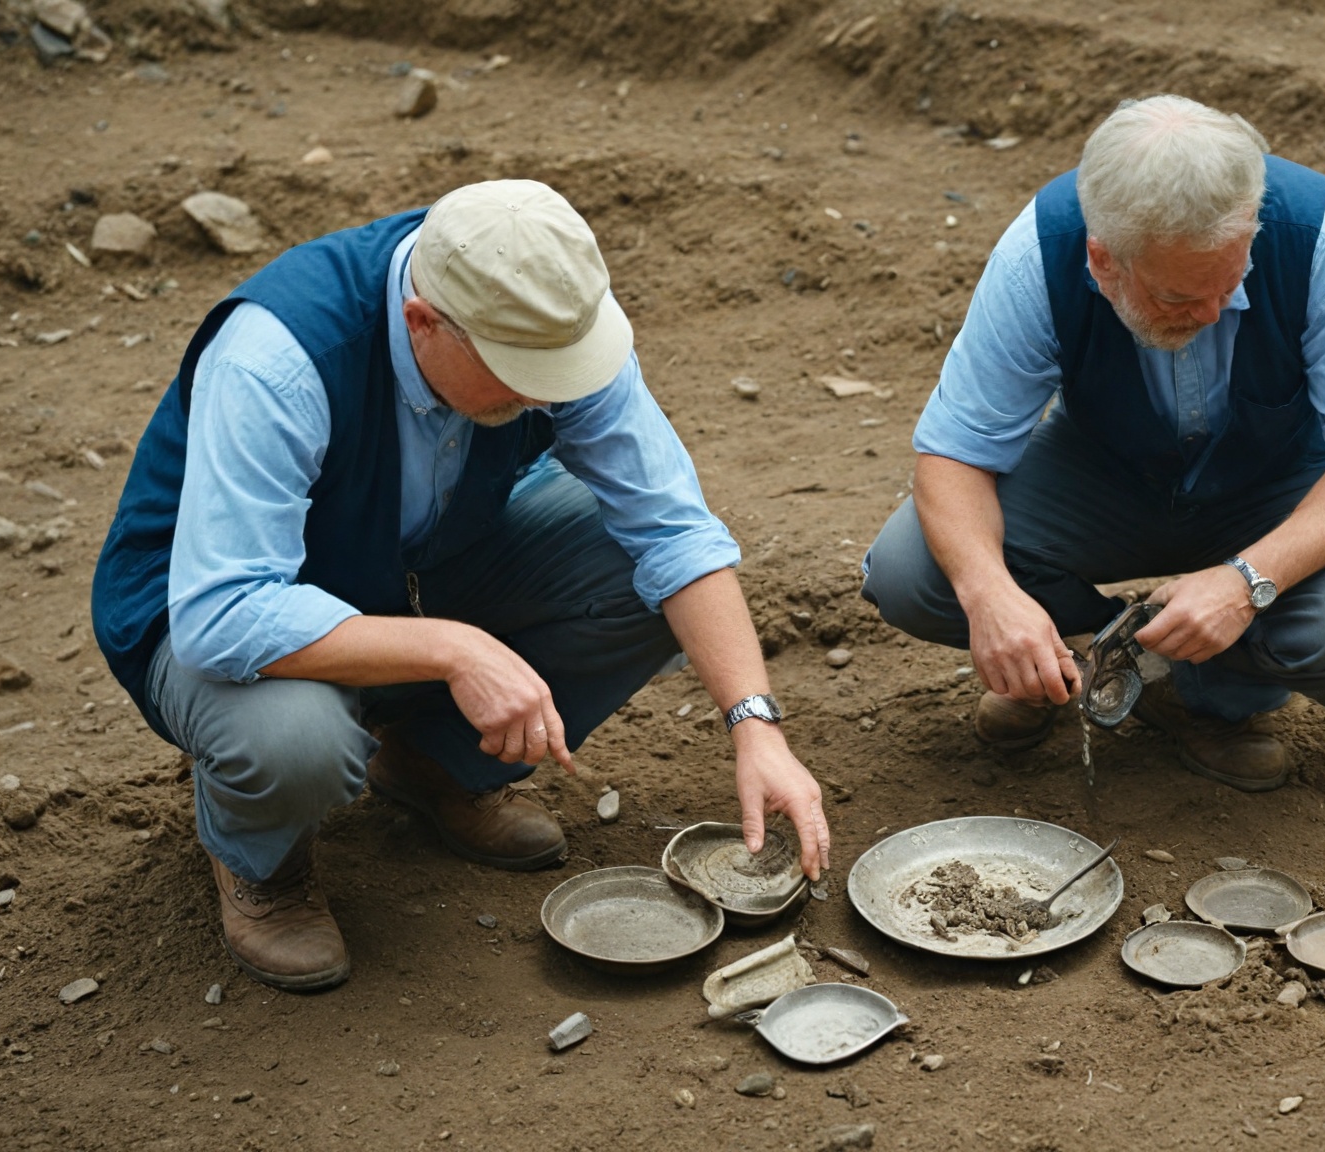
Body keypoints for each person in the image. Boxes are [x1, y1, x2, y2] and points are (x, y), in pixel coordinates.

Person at [93, 180, 829, 991]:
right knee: (294, 740)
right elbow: (223, 611)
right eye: (519, 376)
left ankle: (433, 767)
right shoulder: (278, 360)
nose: (548, 394)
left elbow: (674, 531)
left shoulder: (543, 302)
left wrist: (755, 727)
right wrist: (455, 648)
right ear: (424, 324)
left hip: (413, 561)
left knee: (641, 572)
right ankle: (262, 865)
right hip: (214, 614)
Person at [861, 95, 1325, 792]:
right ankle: (1073, 661)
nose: (1215, 311)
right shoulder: (1041, 253)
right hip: (1107, 471)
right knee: (909, 570)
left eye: (1232, 282)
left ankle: (1214, 696)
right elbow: (953, 457)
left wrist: (1246, 583)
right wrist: (991, 600)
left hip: (1275, 485)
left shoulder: (1324, 237)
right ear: (1103, 262)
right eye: (1178, 298)